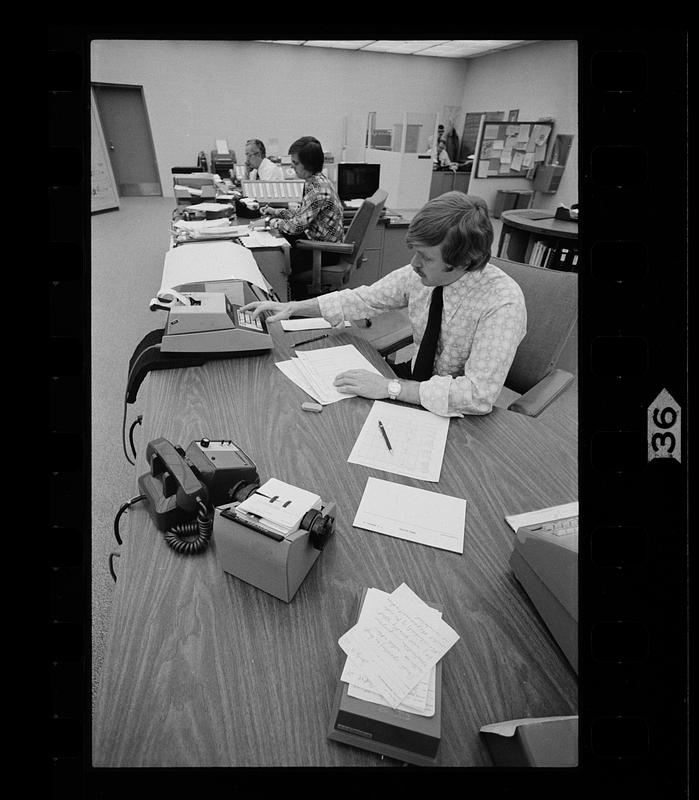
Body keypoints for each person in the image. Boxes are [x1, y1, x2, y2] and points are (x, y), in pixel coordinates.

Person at [241, 192, 527, 416]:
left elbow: (477, 395)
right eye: (415, 253)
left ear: (463, 263)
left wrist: (390, 388)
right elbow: (364, 299)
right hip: (416, 381)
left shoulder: (502, 303)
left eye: (426, 258)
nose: (414, 265)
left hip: (455, 410)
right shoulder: (421, 275)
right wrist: (294, 307)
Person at [261, 136, 344, 299]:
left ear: (309, 164)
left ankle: (294, 306)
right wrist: (275, 212)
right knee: (279, 247)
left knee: (276, 260)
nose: (292, 166)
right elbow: (301, 216)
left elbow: (294, 227)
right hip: (318, 244)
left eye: (296, 163)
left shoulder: (318, 190)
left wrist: (269, 222)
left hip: (324, 251)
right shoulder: (315, 181)